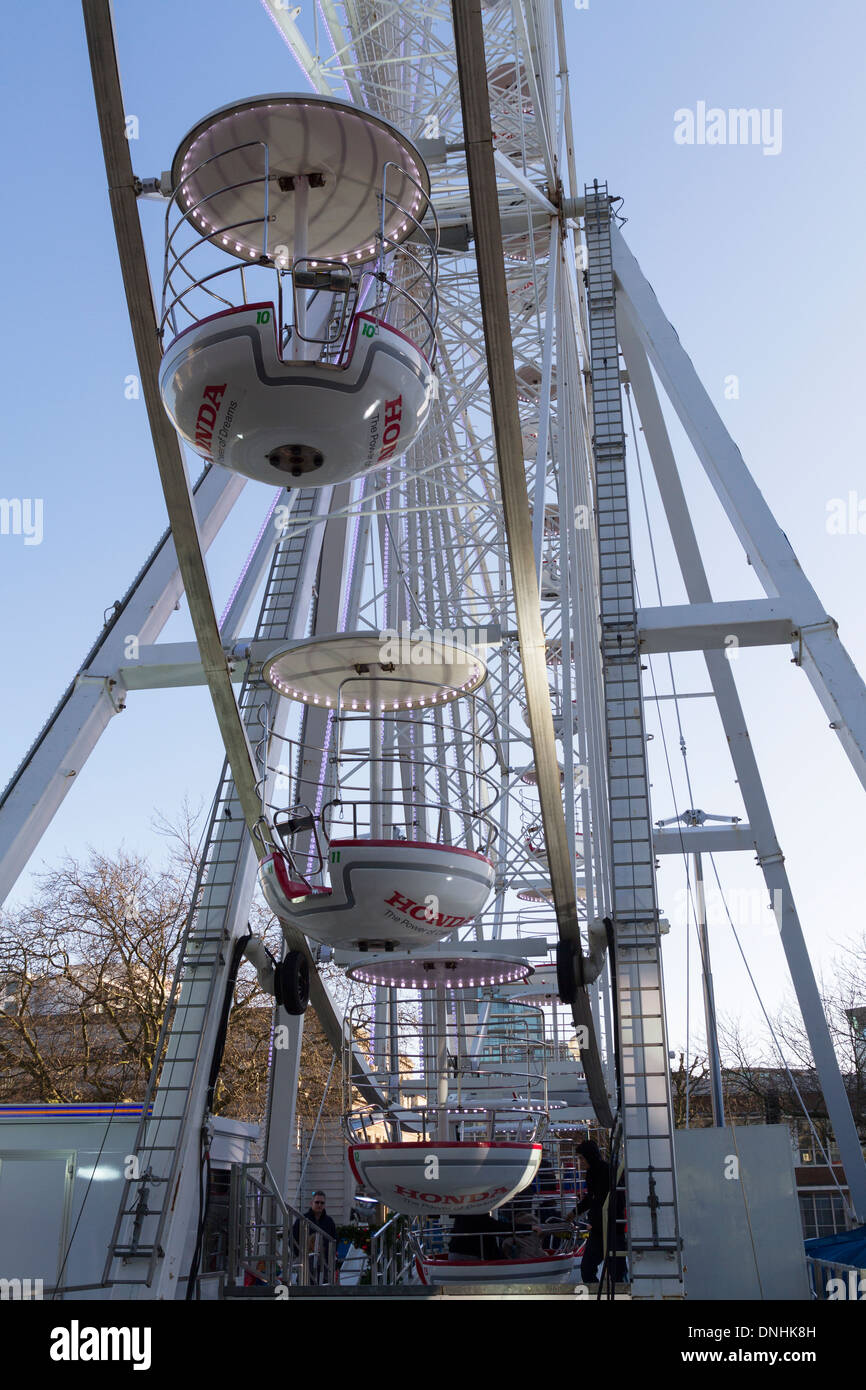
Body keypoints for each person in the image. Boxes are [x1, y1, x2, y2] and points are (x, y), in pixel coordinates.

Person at [573, 1138, 610, 1284]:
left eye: (582, 1158)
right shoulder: (591, 1173)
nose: (580, 1162)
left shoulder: (604, 1172)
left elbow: (598, 1199)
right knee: (587, 1268)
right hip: (598, 1229)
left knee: (616, 1271)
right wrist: (575, 1212)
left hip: (609, 1228)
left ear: (589, 1156)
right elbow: (591, 1198)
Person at [292, 1190, 337, 1283]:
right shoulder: (302, 1219)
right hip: (306, 1261)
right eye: (317, 1202)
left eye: (322, 1203)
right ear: (311, 1203)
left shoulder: (329, 1222)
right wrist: (299, 1254)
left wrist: (330, 1256)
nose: (319, 1205)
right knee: (305, 1283)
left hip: (324, 1262)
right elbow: (292, 1238)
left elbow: (335, 1239)